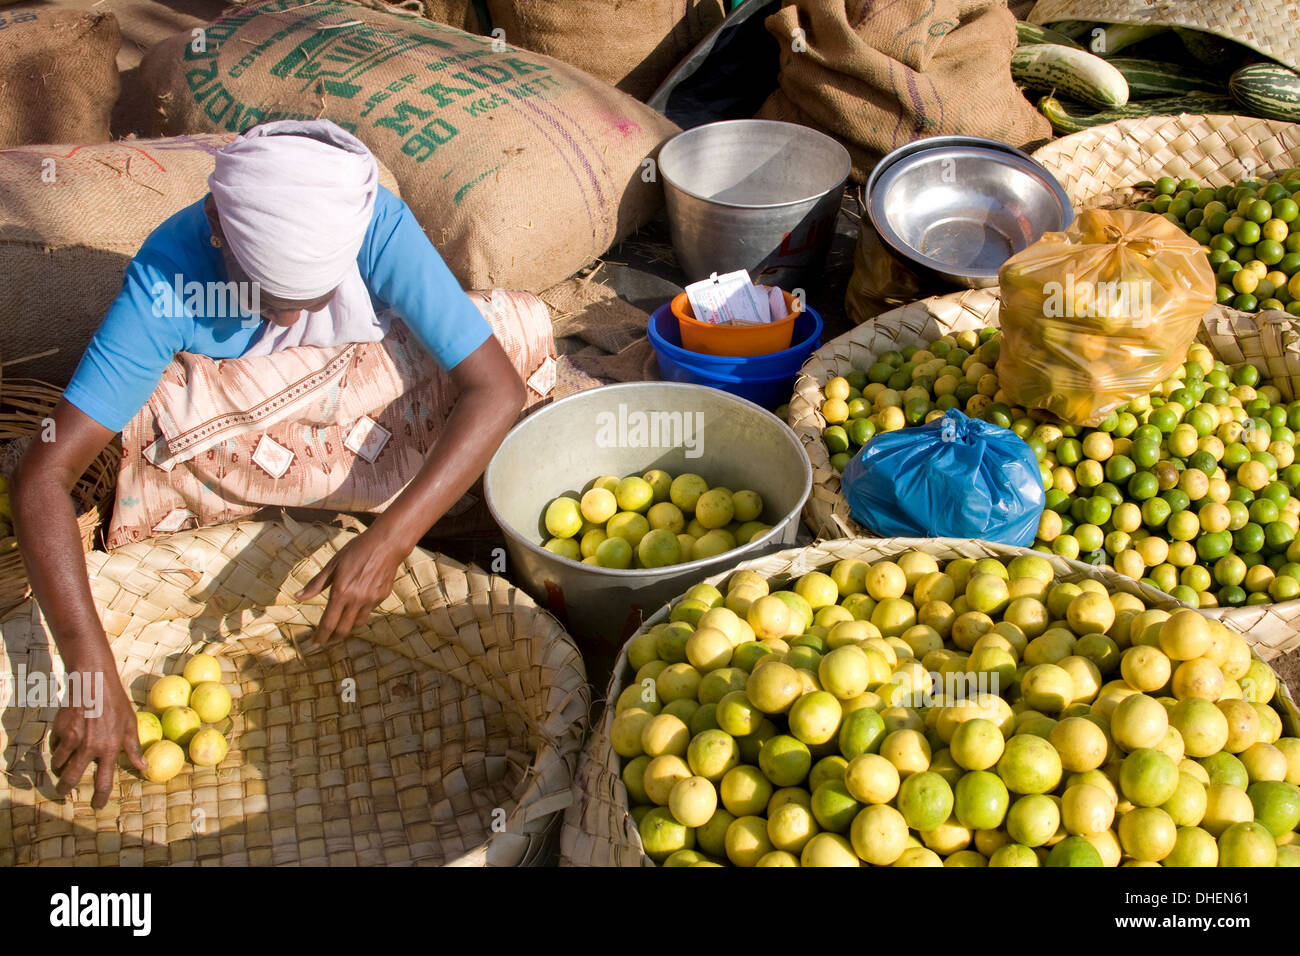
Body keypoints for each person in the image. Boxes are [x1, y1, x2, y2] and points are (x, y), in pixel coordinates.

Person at [12, 119, 528, 809]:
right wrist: (88, 667)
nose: (288, 324)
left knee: (519, 328)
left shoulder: (370, 220)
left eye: (309, 304)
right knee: (156, 413)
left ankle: (389, 507)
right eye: (271, 302)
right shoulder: (169, 276)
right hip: (238, 431)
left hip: (359, 399)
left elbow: (496, 388)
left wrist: (392, 539)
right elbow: (41, 478)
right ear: (219, 229)